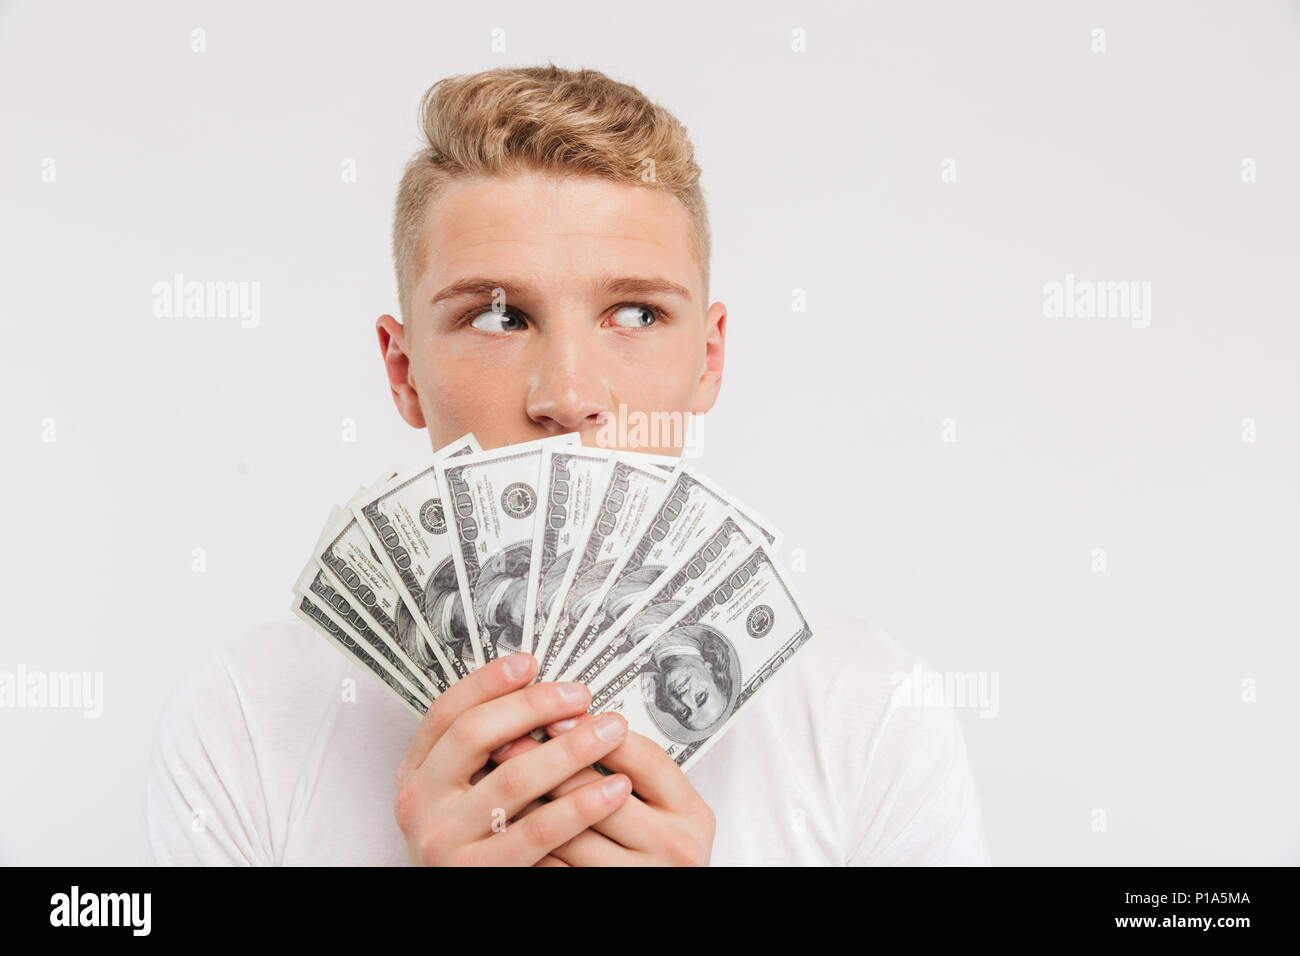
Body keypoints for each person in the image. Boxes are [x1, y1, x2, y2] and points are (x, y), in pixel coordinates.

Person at [140, 64, 992, 866]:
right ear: (403, 372)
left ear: (709, 359)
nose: (568, 393)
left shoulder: (871, 712)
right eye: (499, 318)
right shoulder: (246, 719)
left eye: (634, 312)